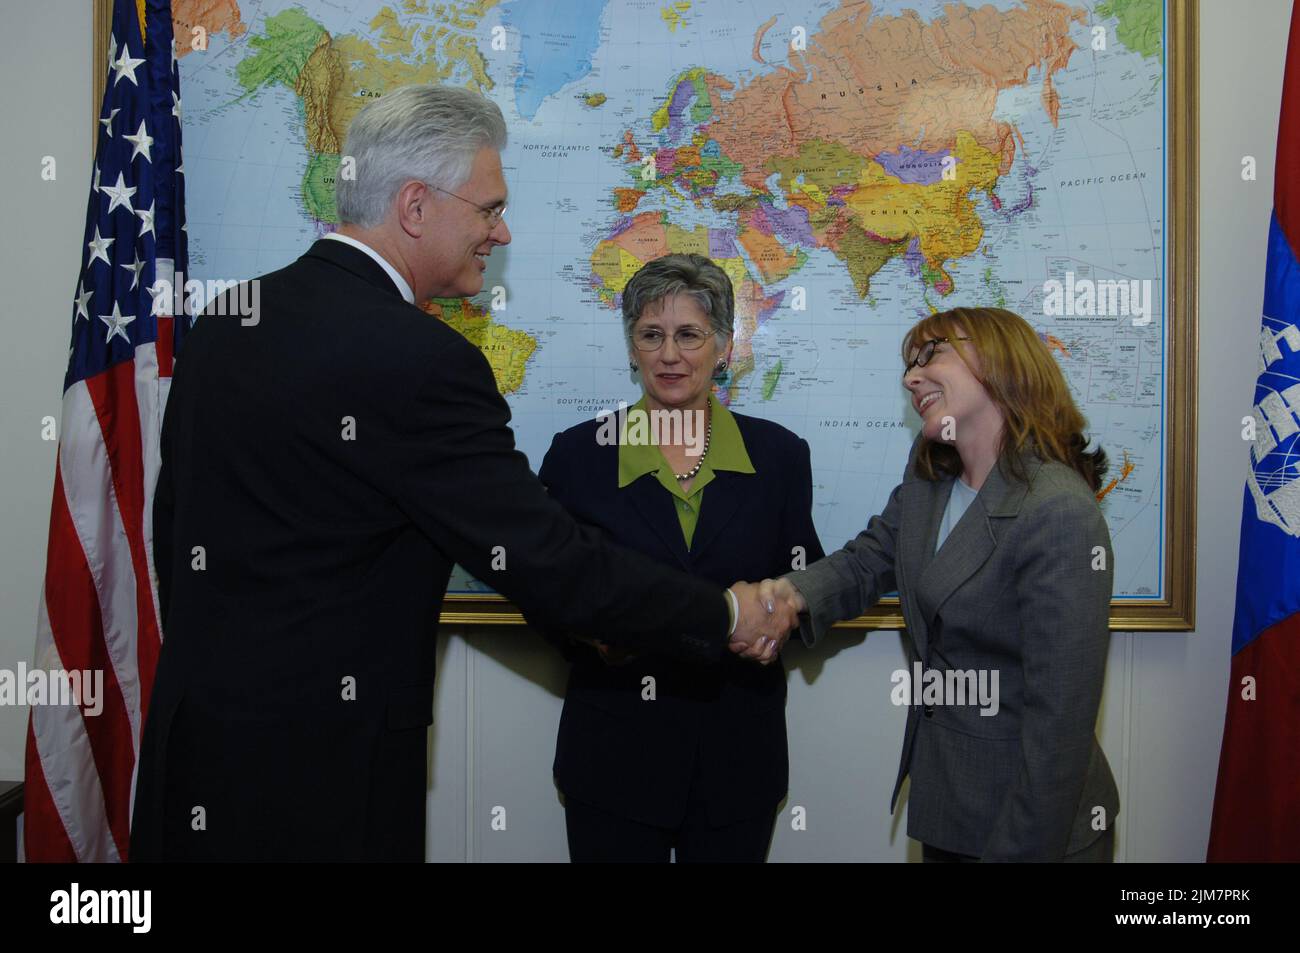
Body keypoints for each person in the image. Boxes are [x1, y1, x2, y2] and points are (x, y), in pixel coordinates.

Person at [130, 85, 793, 862]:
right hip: (326, 779)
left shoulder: (225, 319)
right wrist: (722, 613)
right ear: (416, 206)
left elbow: (175, 528)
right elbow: (547, 559)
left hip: (196, 747)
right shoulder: (421, 360)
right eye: (487, 209)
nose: (499, 231)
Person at [747, 306, 1119, 862]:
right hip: (948, 805)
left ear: (998, 359)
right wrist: (783, 598)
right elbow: (867, 561)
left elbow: (1058, 730)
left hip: (1030, 826)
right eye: (907, 365)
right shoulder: (930, 485)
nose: (910, 377)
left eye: (930, 355)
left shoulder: (1057, 510)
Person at [539, 254, 824, 862]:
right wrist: (591, 637)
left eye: (689, 335)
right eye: (651, 335)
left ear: (723, 345)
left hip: (737, 760)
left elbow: (804, 575)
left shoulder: (777, 456)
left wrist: (781, 617)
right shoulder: (579, 455)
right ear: (632, 347)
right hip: (613, 760)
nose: (669, 355)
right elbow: (544, 589)